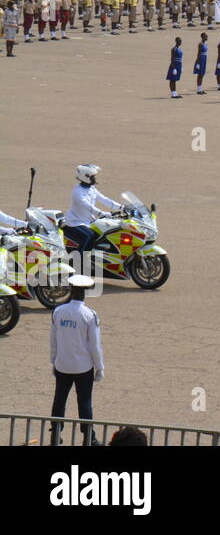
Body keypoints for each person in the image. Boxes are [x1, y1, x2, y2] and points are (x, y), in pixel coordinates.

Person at [49, 274, 104, 446]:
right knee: (85, 403)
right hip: (82, 367)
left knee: (59, 401)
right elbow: (95, 345)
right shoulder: (89, 315)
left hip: (63, 364)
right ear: (85, 293)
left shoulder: (58, 312)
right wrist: (99, 367)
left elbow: (53, 340)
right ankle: (89, 438)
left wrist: (54, 361)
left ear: (71, 290)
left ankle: (55, 435)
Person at [65, 165, 120, 254]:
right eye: (93, 176)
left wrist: (121, 207)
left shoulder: (91, 189)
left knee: (103, 233)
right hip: (75, 222)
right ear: (85, 176)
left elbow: (104, 199)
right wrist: (102, 213)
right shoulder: (78, 192)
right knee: (89, 236)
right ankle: (78, 260)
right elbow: (88, 206)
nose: (95, 178)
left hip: (88, 221)